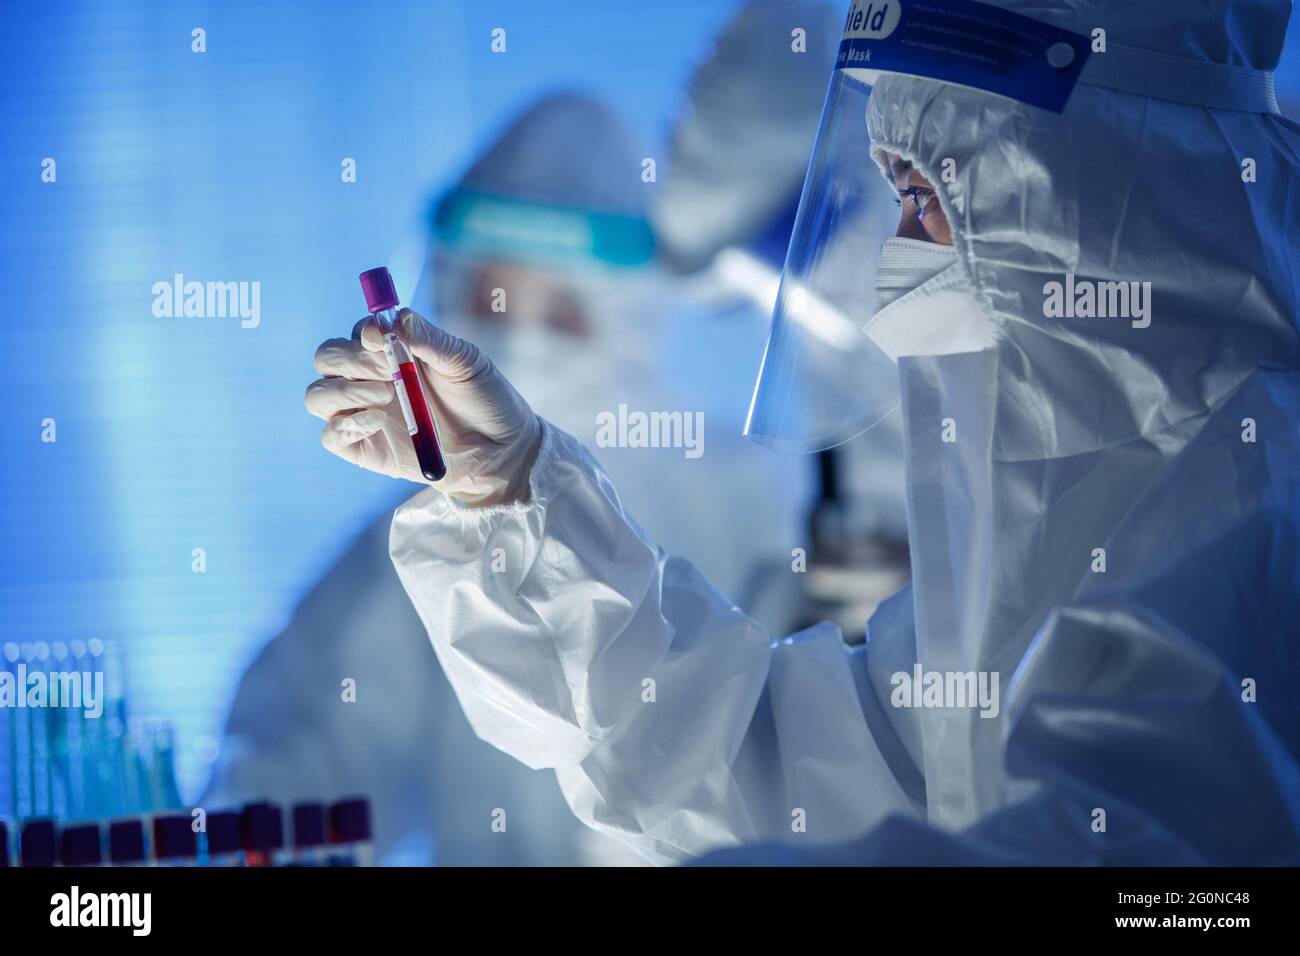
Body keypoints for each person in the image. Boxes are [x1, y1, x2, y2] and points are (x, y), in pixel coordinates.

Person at [315, 0, 1300, 866]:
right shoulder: (1059, 514)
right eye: (895, 193)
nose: (891, 273)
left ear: (1091, 193)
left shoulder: (1257, 509)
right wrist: (509, 493)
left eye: (921, 199)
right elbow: (776, 769)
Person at [207, 87, 815, 864]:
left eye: (560, 311)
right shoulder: (433, 529)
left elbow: (802, 763)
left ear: (630, 314)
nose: (520, 341)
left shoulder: (767, 499)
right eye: (490, 302)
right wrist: (246, 836)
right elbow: (306, 738)